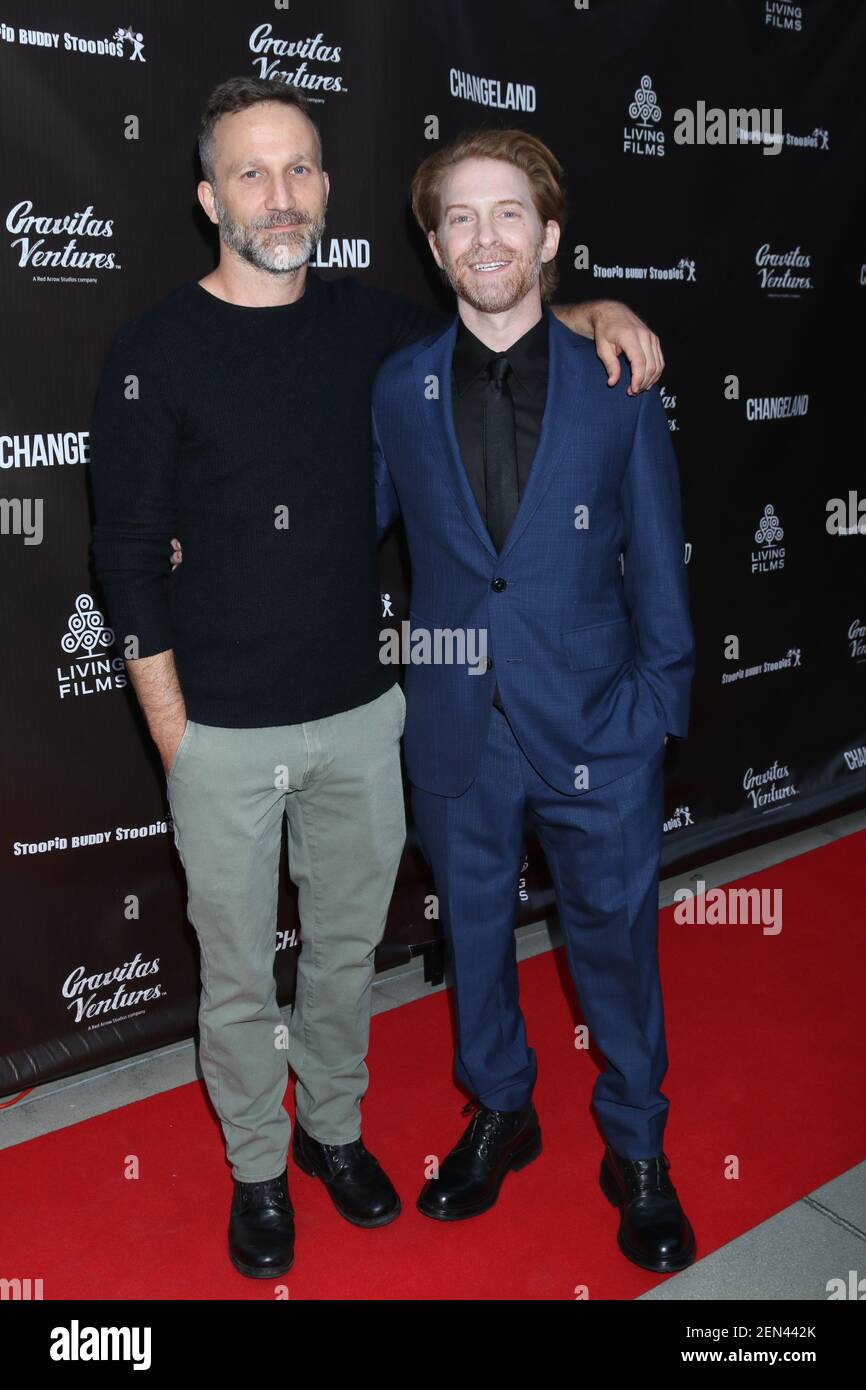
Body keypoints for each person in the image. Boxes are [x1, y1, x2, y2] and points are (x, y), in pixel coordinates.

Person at [89, 74, 667, 1280]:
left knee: (350, 955)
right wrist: (176, 735)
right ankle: (265, 1170)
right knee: (245, 974)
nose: (278, 192)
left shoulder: (373, 334)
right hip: (241, 732)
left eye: (298, 167)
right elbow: (131, 557)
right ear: (208, 196)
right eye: (249, 172)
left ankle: (343, 1134)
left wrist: (598, 309)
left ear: (327, 187)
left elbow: (502, 325)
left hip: (373, 716)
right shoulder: (157, 351)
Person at [373, 128, 697, 1273]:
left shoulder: (614, 381)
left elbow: (657, 556)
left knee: (614, 943)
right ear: (433, 245)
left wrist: (656, 704)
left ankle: (639, 1149)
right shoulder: (397, 387)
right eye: (459, 218)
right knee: (471, 935)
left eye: (507, 213)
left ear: (549, 235)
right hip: (457, 724)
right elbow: (347, 532)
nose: (485, 237)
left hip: (597, 724)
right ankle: (500, 1110)